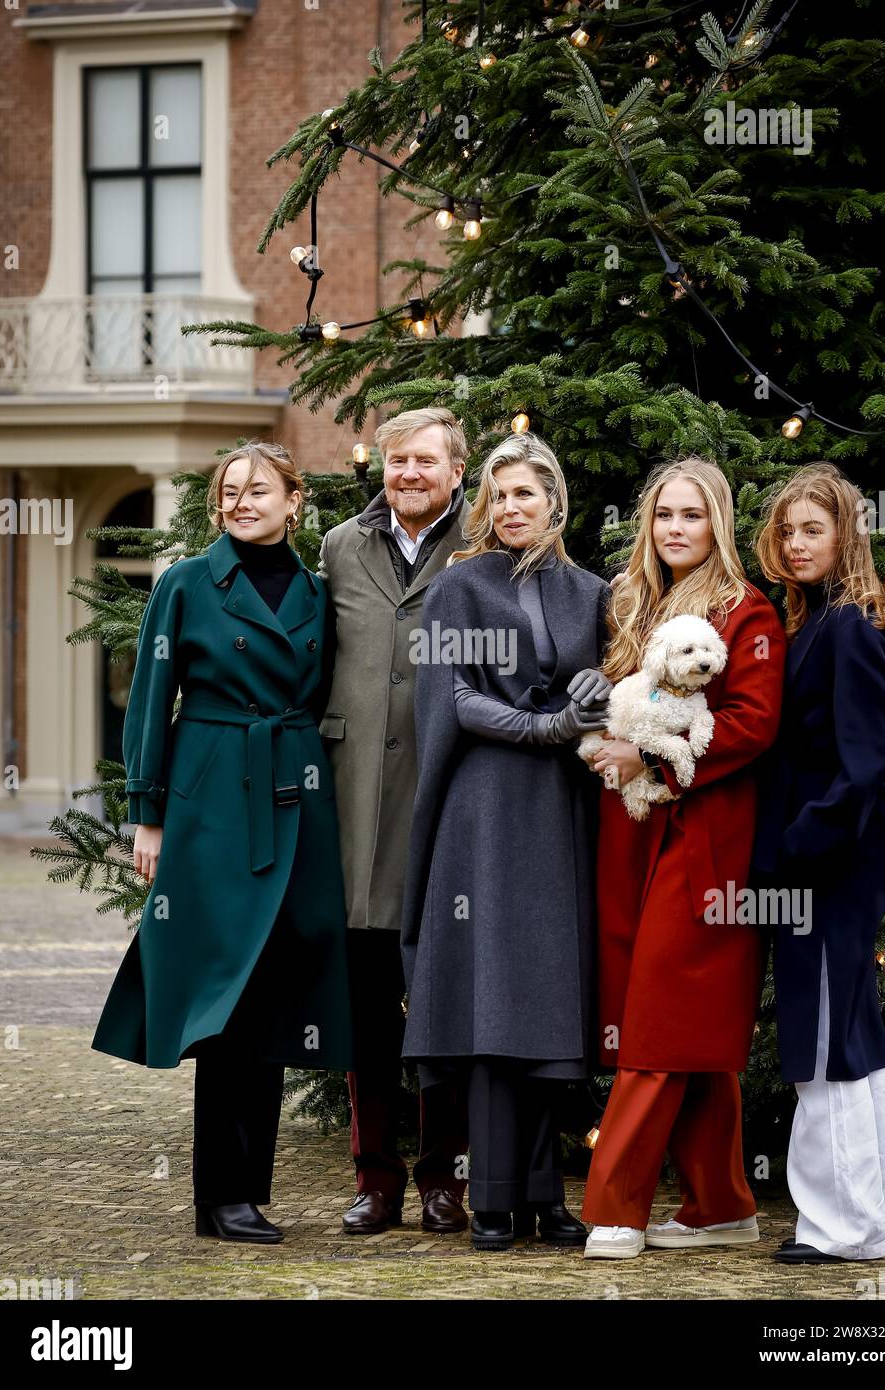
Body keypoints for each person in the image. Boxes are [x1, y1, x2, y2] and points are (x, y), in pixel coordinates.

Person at [92, 441, 352, 1244]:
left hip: (295, 791)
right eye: (230, 491)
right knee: (224, 991)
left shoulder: (316, 591)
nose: (241, 502)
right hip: (209, 798)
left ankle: (244, 1195)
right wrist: (147, 814)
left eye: (258, 489)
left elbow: (325, 697)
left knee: (274, 990)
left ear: (294, 501)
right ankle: (220, 1194)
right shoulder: (185, 583)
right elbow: (150, 698)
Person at [400, 432, 612, 1251]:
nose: (511, 508)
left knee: (549, 996)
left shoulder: (591, 592)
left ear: (553, 500)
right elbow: (452, 697)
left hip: (559, 809)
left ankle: (543, 1194)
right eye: (499, 496)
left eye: (526, 493)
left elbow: (616, 682)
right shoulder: (460, 586)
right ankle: (491, 1197)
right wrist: (543, 726)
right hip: (484, 808)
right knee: (493, 997)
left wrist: (597, 687)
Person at [580, 457, 785, 1260]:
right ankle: (719, 1206)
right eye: (663, 514)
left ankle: (616, 1208)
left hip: (705, 841)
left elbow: (753, 724)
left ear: (717, 523)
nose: (674, 528)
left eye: (691, 515)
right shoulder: (632, 600)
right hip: (632, 835)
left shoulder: (745, 610)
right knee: (685, 1022)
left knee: (658, 1021)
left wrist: (651, 761)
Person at [318, 407, 472, 1235]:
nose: (408, 473)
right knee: (368, 1008)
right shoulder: (340, 546)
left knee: (445, 1003)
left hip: (452, 802)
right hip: (359, 806)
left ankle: (443, 1176)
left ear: (456, 471)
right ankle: (374, 1178)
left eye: (424, 461)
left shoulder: (484, 546)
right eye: (396, 460)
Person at [753, 462, 885, 1264]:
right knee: (851, 1026)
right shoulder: (816, 619)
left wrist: (797, 845)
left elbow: (867, 758)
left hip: (836, 852)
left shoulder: (849, 624)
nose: (795, 543)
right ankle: (877, 1216)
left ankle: (840, 1227)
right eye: (786, 530)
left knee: (819, 1030)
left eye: (812, 530)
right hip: (840, 845)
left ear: (845, 535)